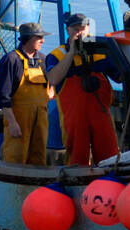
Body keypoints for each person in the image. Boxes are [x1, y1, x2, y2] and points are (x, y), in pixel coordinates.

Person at [46, 12, 122, 165]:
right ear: (68, 30)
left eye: (83, 28)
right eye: (76, 29)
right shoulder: (57, 55)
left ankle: (108, 182)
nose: (80, 32)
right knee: (77, 156)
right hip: (74, 119)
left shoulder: (101, 53)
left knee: (109, 155)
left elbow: (121, 77)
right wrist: (72, 52)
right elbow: (53, 79)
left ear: (89, 29)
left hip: (100, 114)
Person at [0, 22, 51, 166]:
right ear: (28, 39)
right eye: (39, 38)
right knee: (15, 159)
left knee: (39, 158)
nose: (42, 41)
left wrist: (51, 90)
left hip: (41, 120)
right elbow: (3, 97)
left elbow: (52, 84)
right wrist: (12, 123)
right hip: (19, 120)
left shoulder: (43, 60)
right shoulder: (11, 60)